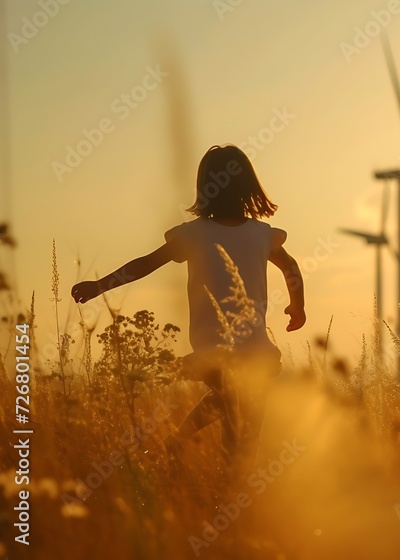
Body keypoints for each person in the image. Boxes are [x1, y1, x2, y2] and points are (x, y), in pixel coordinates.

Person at [71, 144, 306, 473]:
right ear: (250, 187)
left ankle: (189, 450)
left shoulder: (217, 234)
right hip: (222, 349)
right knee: (239, 418)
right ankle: (224, 476)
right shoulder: (243, 234)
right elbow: (290, 267)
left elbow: (145, 264)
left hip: (247, 348)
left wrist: (100, 285)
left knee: (238, 413)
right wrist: (297, 305)